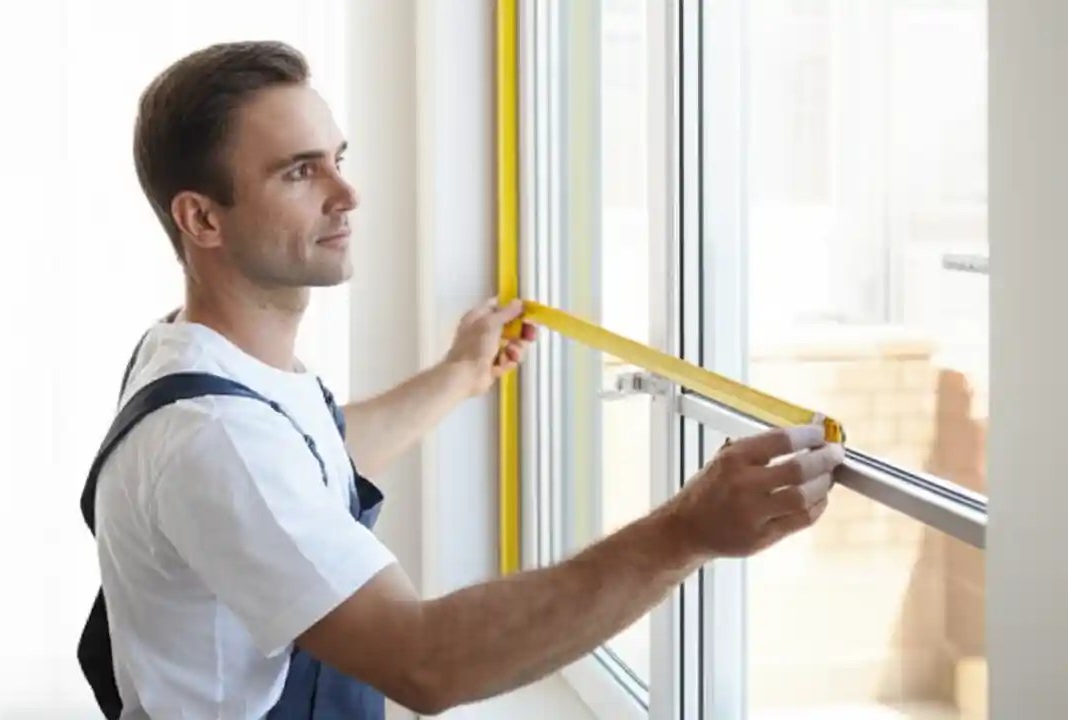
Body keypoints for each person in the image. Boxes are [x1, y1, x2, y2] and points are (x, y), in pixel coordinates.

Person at [78, 40, 845, 719]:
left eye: (339, 158)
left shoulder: (198, 359)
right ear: (203, 220)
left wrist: (458, 375)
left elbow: (312, 458)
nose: (347, 194)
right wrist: (685, 532)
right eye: (300, 172)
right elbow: (425, 662)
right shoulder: (214, 438)